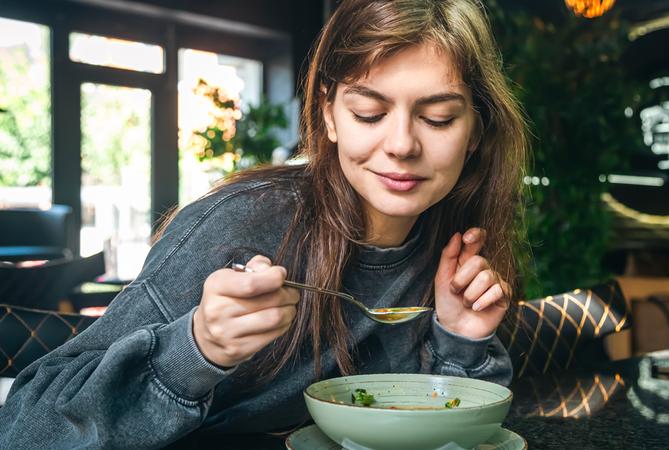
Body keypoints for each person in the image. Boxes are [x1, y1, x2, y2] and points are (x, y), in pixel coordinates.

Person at [0, 0, 529, 447]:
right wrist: (198, 347)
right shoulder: (240, 225)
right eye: (369, 112)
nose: (401, 145)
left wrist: (458, 339)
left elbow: (449, 433)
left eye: (438, 118)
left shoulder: (450, 247)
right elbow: (25, 425)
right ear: (328, 115)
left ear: (476, 131)